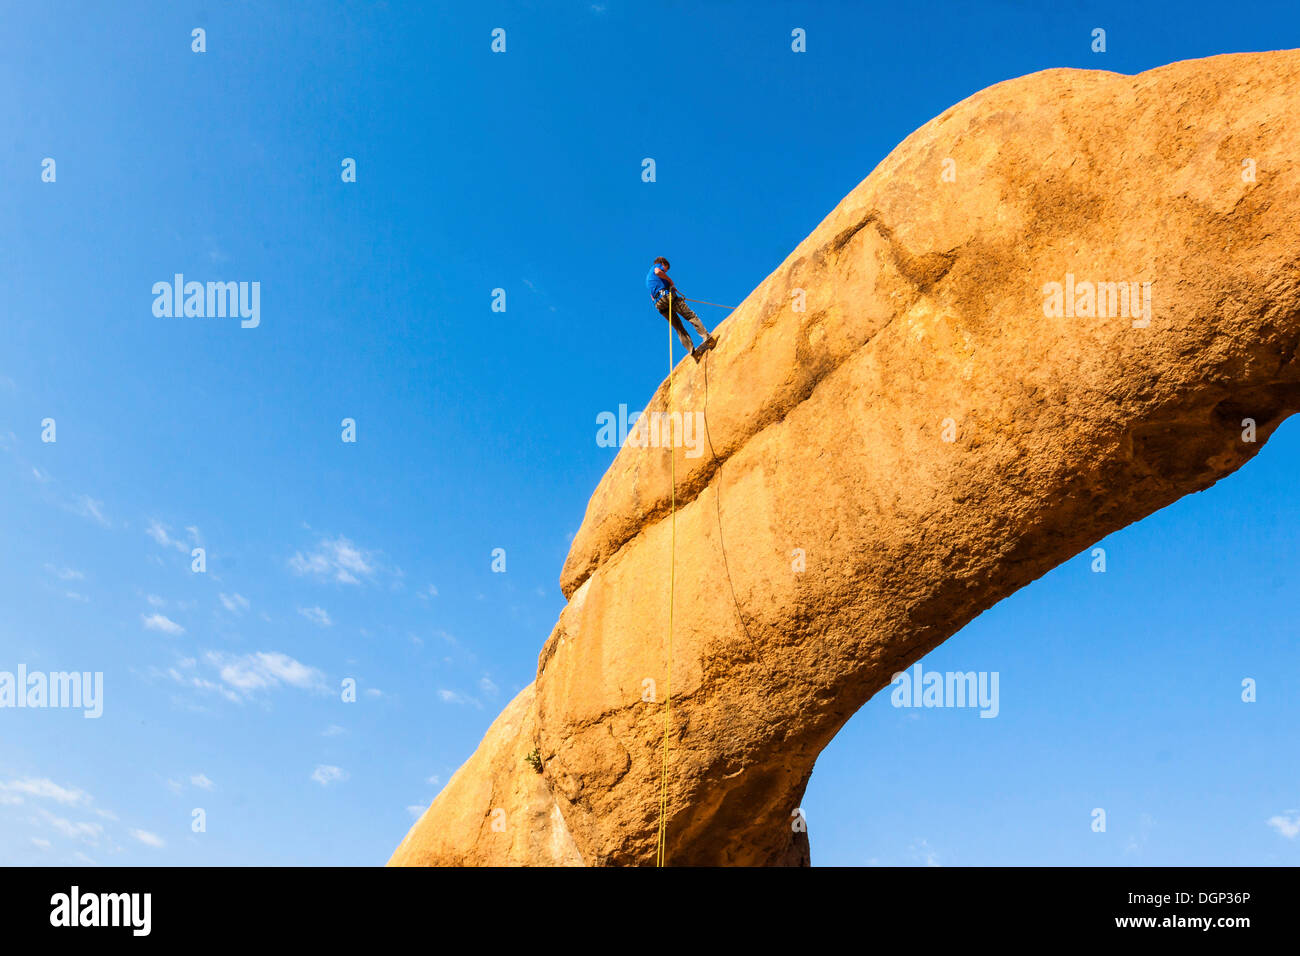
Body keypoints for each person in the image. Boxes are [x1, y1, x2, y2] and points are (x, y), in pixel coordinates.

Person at [646, 257, 716, 358]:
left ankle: (693, 352)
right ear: (662, 263)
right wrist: (670, 281)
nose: (665, 271)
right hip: (667, 296)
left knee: (678, 328)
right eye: (666, 268)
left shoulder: (649, 278)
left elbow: (652, 297)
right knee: (690, 316)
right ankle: (707, 338)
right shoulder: (656, 267)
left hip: (659, 304)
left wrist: (668, 288)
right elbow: (658, 272)